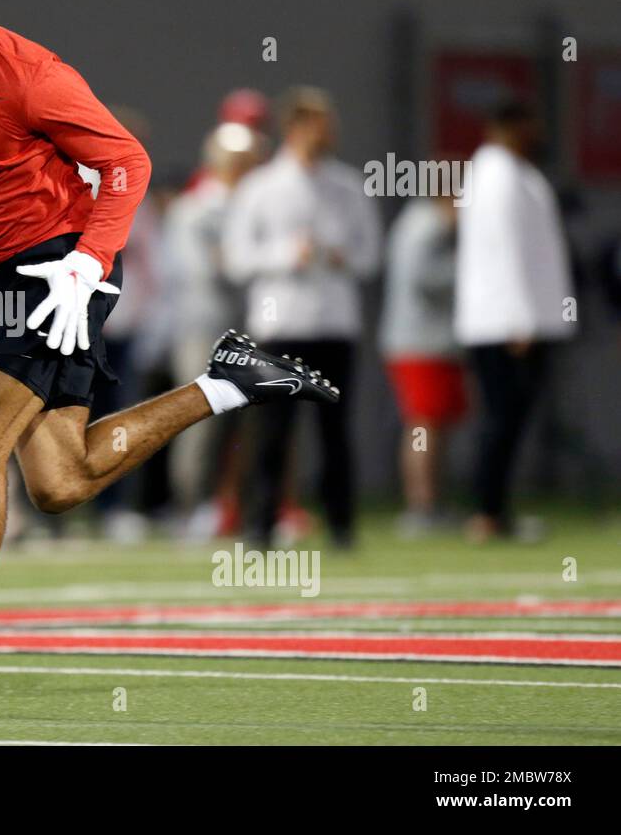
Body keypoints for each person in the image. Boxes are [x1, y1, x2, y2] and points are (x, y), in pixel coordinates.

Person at [0, 0, 341, 717]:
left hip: (64, 265)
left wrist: (87, 264)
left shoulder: (29, 74)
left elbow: (127, 161)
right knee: (58, 480)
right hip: (11, 274)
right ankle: (228, 385)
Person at [221, 87, 381, 551]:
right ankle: (260, 524)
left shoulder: (348, 186)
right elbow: (237, 259)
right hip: (280, 324)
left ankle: (342, 526)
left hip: (334, 324)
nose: (325, 135)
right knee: (271, 432)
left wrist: (339, 257)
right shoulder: (262, 186)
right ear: (295, 128)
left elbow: (370, 256)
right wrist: (288, 254)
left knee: (335, 432)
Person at [454, 98, 575, 542]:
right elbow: (504, 249)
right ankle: (486, 511)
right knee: (501, 417)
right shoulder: (495, 175)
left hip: (522, 319)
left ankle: (497, 510)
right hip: (503, 322)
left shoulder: (518, 173)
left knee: (512, 418)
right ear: (509, 127)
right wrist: (519, 317)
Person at [162, 121, 264, 539]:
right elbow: (202, 270)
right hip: (203, 328)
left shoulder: (254, 206)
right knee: (201, 423)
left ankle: (235, 507)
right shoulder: (194, 209)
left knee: (246, 428)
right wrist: (254, 259)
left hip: (249, 327)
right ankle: (192, 509)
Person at [379, 180, 466, 536]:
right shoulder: (425, 225)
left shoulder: (425, 223)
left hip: (433, 342)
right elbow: (424, 279)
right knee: (423, 424)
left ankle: (433, 504)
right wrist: (471, 269)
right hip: (419, 342)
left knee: (435, 424)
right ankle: (421, 507)